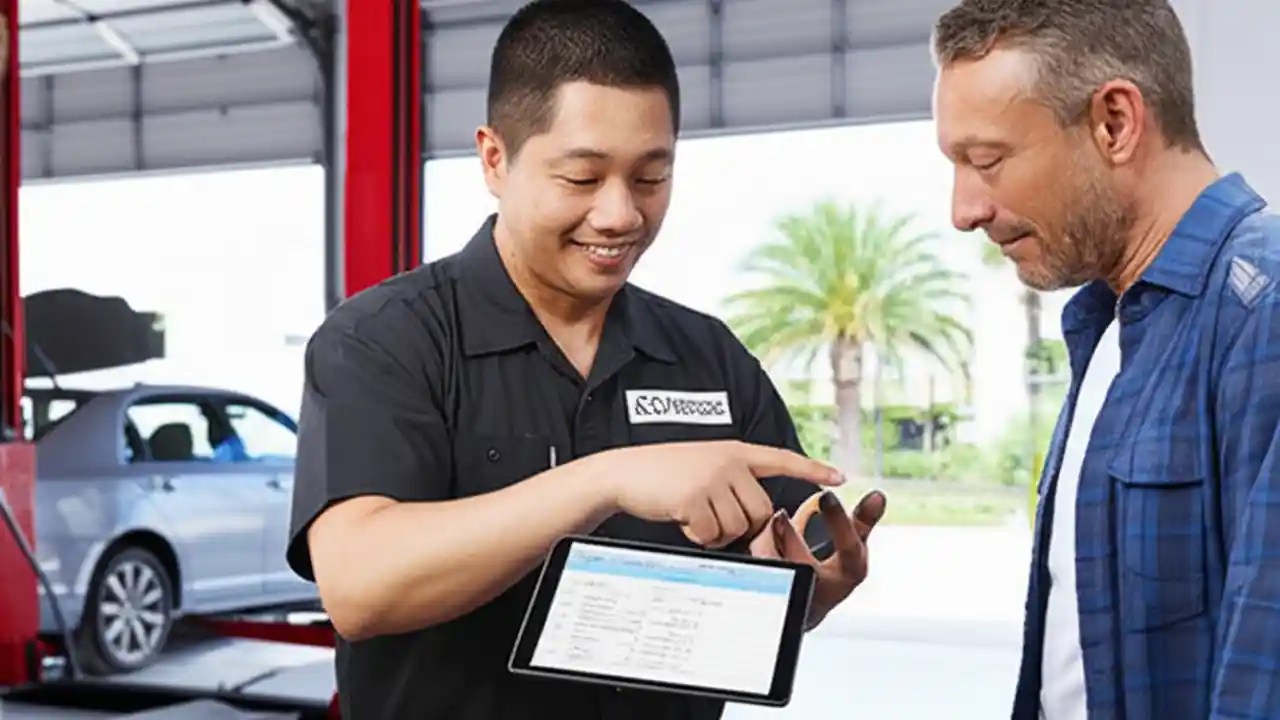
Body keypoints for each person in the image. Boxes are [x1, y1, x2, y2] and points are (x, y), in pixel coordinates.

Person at [286, 1, 887, 718]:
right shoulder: (384, 340)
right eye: (581, 178)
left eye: (650, 177)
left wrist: (807, 589)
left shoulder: (706, 357)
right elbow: (361, 587)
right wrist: (606, 480)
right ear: (494, 159)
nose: (620, 214)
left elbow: (784, 564)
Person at [931, 1, 1280, 718]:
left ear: (1115, 122)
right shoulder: (1108, 323)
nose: (963, 208)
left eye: (987, 161)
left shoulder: (1264, 314)